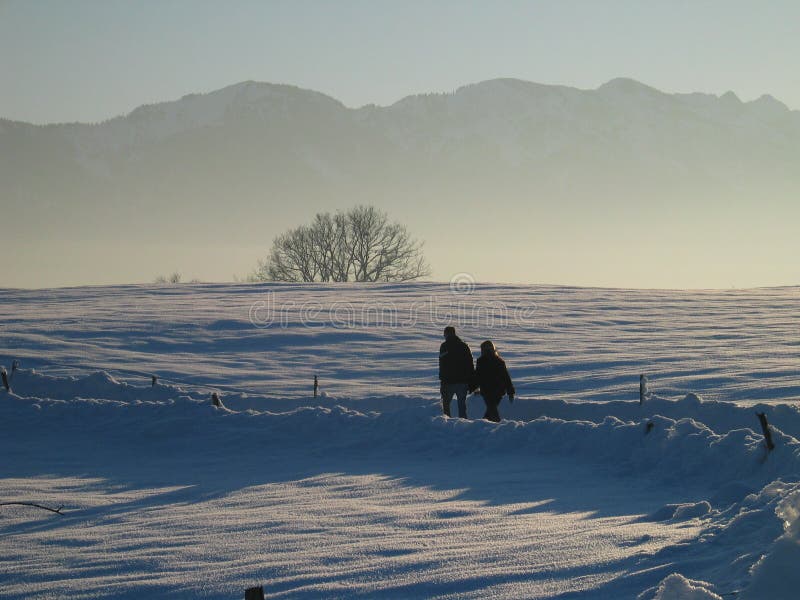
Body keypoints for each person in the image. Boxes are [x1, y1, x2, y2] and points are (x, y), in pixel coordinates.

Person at [438, 326, 474, 418]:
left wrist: (442, 379)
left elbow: (442, 365)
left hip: (448, 382)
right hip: (462, 381)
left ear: (446, 334)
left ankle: (447, 425)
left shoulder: (444, 346)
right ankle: (463, 425)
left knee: (446, 407)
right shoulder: (464, 346)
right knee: (462, 407)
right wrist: (471, 380)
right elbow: (470, 364)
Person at [474, 340, 515, 422]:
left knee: (491, 409)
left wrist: (474, 387)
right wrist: (510, 391)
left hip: (486, 390)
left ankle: (493, 425)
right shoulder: (500, 361)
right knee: (491, 409)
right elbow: (506, 377)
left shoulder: (481, 361)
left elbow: (478, 376)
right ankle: (483, 425)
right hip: (498, 391)